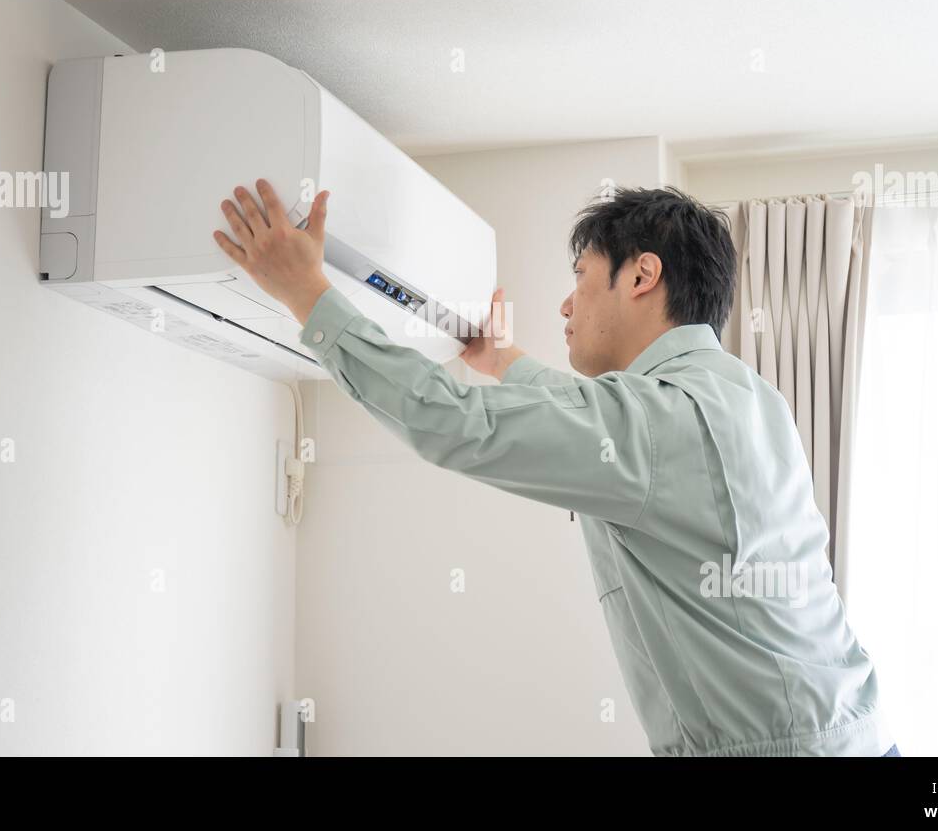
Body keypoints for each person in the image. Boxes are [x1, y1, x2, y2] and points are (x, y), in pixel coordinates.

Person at [213, 178, 897, 757]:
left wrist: (308, 293)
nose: (567, 305)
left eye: (580, 277)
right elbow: (604, 421)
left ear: (641, 274)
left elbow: (452, 423)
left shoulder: (661, 422)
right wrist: (500, 362)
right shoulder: (742, 397)